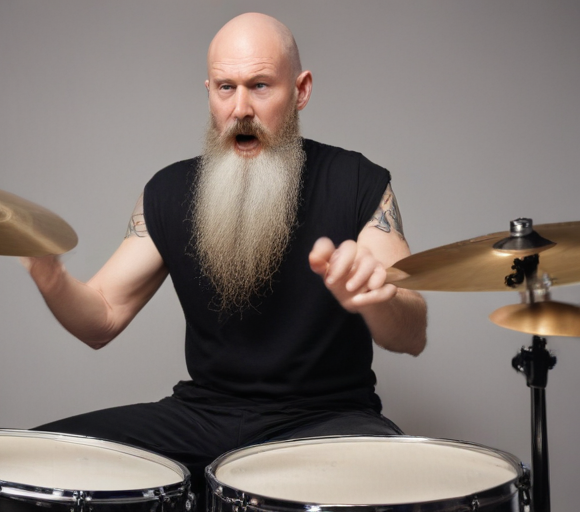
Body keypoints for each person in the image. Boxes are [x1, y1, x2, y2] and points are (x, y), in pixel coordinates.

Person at [23, 12, 427, 506]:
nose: (240, 108)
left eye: (260, 86)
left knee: (398, 482)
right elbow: (101, 319)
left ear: (300, 91)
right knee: (34, 466)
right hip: (200, 418)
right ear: (209, 91)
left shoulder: (358, 182)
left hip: (328, 421)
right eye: (224, 88)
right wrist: (51, 277)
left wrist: (373, 296)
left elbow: (410, 334)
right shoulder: (170, 191)